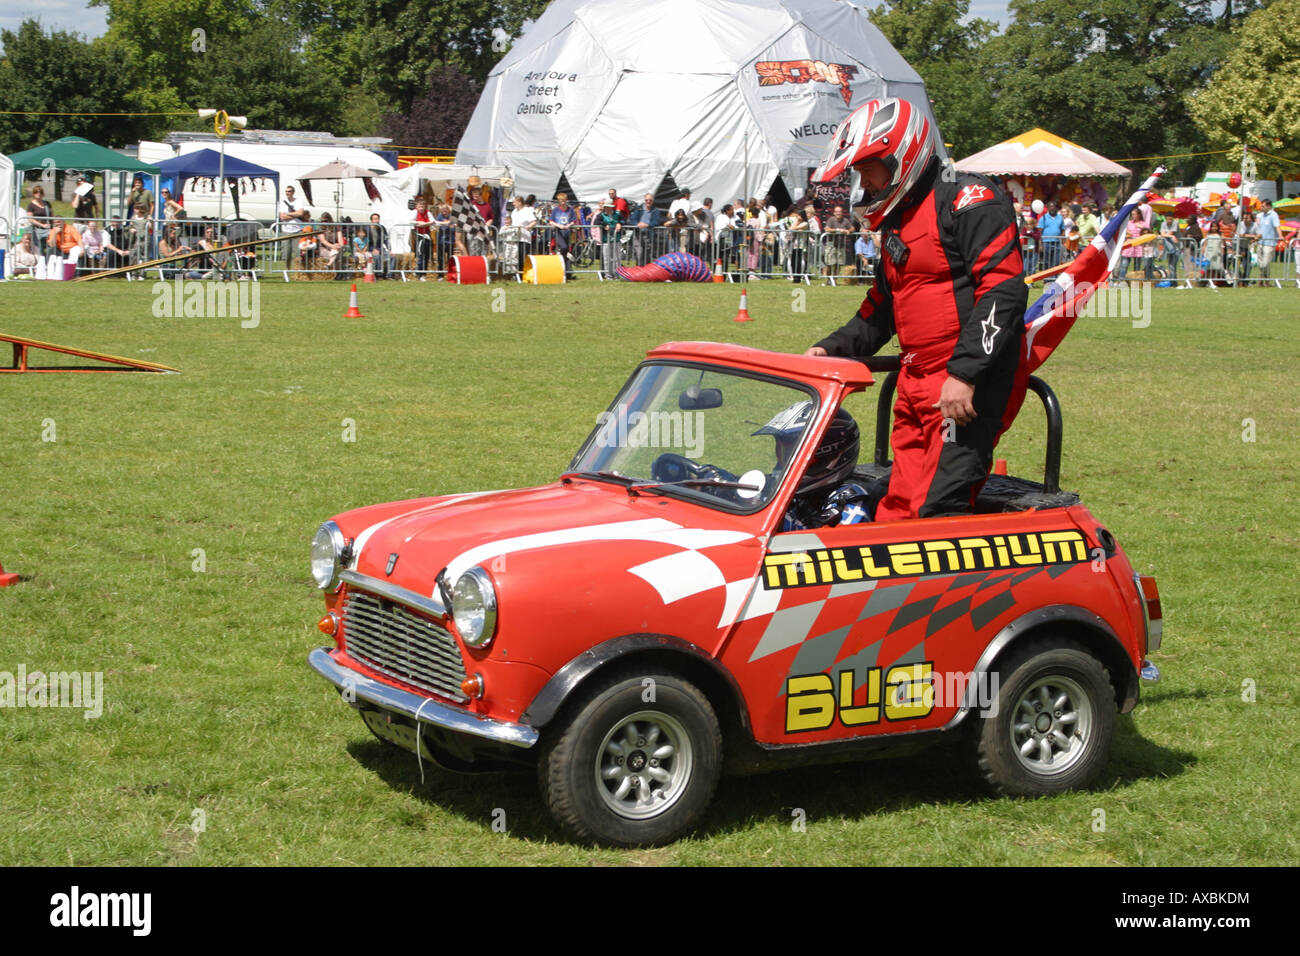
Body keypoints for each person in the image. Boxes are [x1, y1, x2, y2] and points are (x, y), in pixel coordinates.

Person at [803, 97, 1027, 520]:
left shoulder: (970, 199)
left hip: (964, 386)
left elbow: (1004, 290)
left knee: (936, 508)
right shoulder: (896, 219)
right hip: (914, 380)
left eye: (868, 171)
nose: (864, 184)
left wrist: (965, 374)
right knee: (899, 505)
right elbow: (883, 306)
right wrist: (830, 349)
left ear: (900, 156)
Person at [757, 402, 871, 532]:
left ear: (826, 455)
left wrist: (778, 519)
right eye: (782, 451)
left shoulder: (851, 502)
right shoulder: (796, 492)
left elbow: (831, 544)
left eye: (793, 453)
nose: (785, 460)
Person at [279, 184, 310, 272]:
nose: (287, 193)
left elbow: (300, 213)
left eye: (289, 191)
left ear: (293, 192)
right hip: (286, 231)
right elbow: (282, 217)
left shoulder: (298, 201)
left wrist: (288, 214)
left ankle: (298, 272)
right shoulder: (282, 203)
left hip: (297, 230)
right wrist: (294, 214)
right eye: (286, 191)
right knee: (286, 253)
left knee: (297, 253)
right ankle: (287, 271)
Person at [595, 200, 623, 279]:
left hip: (616, 239)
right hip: (605, 239)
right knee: (607, 258)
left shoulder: (617, 214)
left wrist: (619, 223)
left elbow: (624, 220)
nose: (608, 209)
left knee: (617, 258)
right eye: (607, 207)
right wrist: (604, 224)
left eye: (609, 207)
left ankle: (617, 274)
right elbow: (596, 222)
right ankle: (608, 275)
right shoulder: (601, 215)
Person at [632, 192, 662, 266]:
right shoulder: (638, 209)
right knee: (639, 252)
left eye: (650, 200)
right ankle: (639, 269)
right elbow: (632, 219)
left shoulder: (655, 210)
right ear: (644, 200)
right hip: (638, 233)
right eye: (646, 200)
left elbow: (656, 221)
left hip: (649, 234)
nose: (648, 201)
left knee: (647, 253)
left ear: (653, 201)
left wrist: (647, 225)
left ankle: (646, 271)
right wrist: (637, 224)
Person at [1255, 199, 1281, 280]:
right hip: (1260, 242)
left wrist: (1280, 236)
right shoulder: (1261, 215)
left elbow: (1277, 226)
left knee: (1265, 263)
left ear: (1269, 206)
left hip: (1269, 243)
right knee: (1260, 263)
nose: (1261, 207)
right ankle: (1265, 280)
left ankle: (1262, 278)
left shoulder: (1274, 215)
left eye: (1263, 206)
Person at [25, 184, 52, 256]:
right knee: (39, 250)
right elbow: (30, 219)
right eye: (36, 192)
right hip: (37, 230)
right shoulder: (31, 205)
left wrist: (52, 225)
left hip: (48, 230)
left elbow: (51, 215)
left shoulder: (47, 204)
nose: (39, 194)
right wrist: (42, 225)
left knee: (51, 248)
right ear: (33, 194)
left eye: (40, 192)